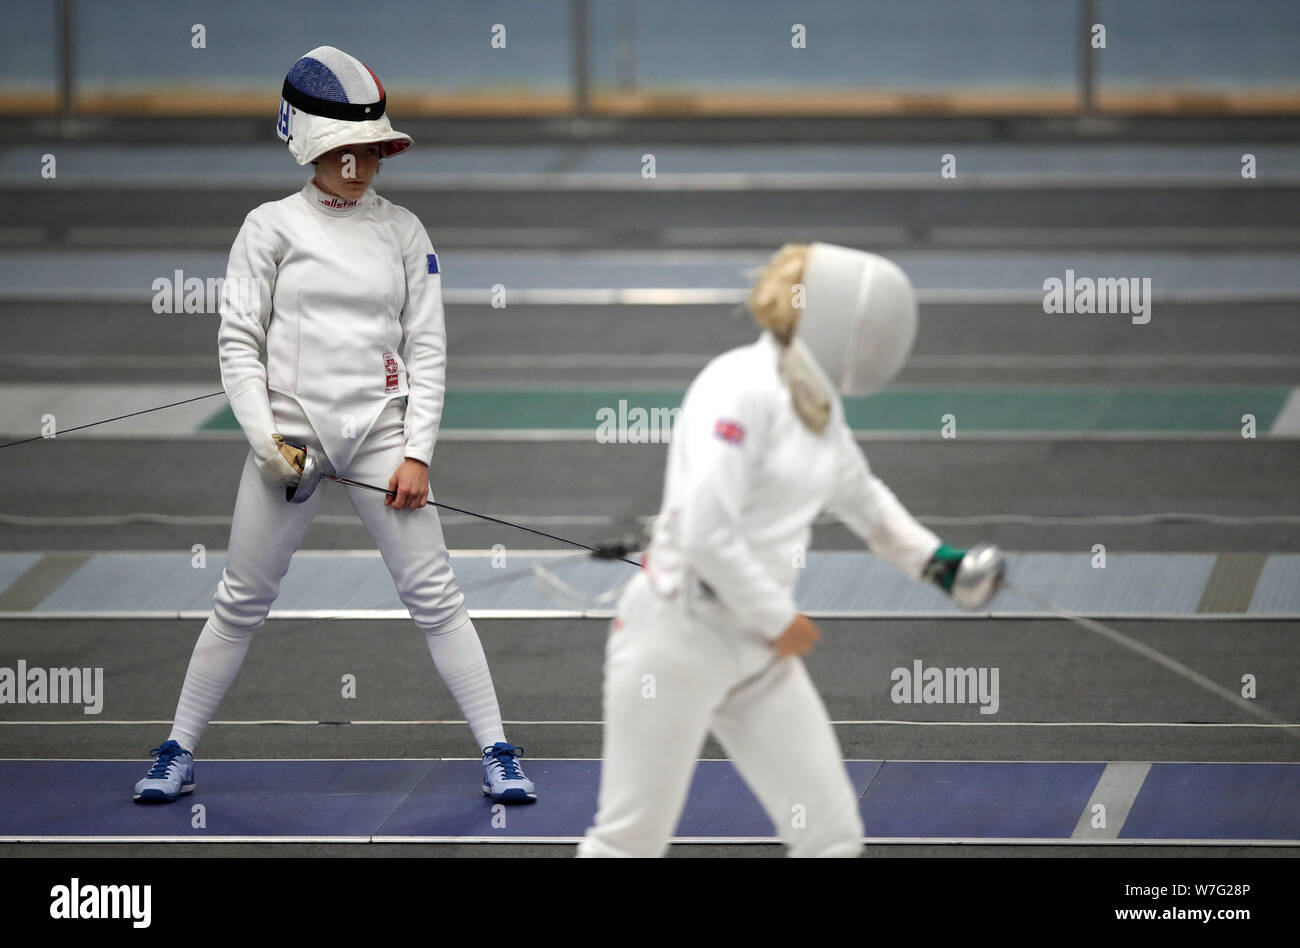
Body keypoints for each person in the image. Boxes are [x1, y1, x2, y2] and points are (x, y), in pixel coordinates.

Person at [132, 46, 535, 806]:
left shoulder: (406, 233)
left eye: (368, 152)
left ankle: (499, 749)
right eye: (341, 153)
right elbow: (237, 343)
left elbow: (428, 350)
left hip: (382, 440)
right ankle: (178, 748)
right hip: (289, 445)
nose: (356, 168)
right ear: (308, 147)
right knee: (240, 600)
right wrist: (267, 446)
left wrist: (416, 454)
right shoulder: (268, 227)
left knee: (436, 596)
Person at [578, 243, 997, 857]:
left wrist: (940, 565)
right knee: (630, 840)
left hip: (757, 649)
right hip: (679, 632)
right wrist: (782, 620)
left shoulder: (815, 404)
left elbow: (864, 499)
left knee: (830, 835)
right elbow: (702, 529)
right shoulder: (738, 385)